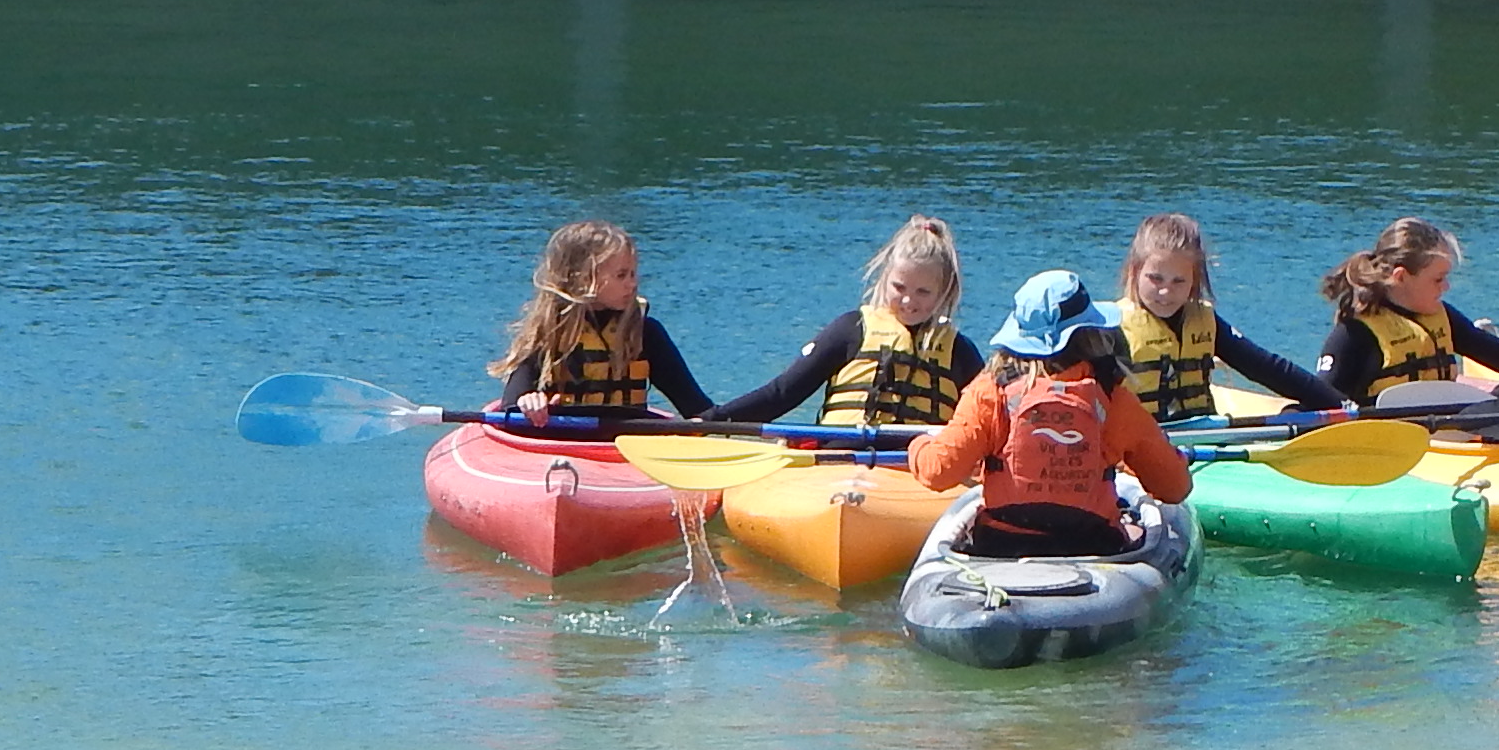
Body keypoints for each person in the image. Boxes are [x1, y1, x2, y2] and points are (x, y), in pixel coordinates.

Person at [905, 271, 1197, 560]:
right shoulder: (1113, 399)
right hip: (1093, 545)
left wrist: (919, 445)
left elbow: (937, 472)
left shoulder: (990, 392)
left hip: (1001, 545)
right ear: (1092, 334)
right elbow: (1174, 488)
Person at [707, 214, 987, 431]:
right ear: (885, 279)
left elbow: (989, 418)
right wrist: (713, 419)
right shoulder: (850, 330)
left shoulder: (959, 352)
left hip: (919, 466)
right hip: (844, 455)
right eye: (899, 287)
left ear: (944, 292)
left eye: (923, 292)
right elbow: (782, 393)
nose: (907, 300)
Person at [1106, 211, 1340, 426]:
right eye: (1156, 279)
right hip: (1137, 443)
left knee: (1302, 412)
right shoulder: (1110, 329)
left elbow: (1264, 367)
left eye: (1179, 281)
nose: (1166, 292)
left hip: (1202, 436)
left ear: (1195, 281)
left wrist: (1339, 403)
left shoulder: (1204, 321)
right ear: (1134, 272)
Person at [1317, 215, 1499, 404]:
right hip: (1388, 438)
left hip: (1443, 431)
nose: (1446, 287)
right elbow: (1321, 398)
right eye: (1438, 279)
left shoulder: (1442, 317)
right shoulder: (1354, 334)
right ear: (1401, 277)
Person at [489, 219, 717, 425]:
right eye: (621, 275)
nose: (632, 284)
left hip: (625, 444)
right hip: (563, 439)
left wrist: (725, 414)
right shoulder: (548, 333)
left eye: (633, 274)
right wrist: (529, 402)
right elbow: (512, 406)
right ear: (584, 278)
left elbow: (699, 412)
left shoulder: (646, 333)